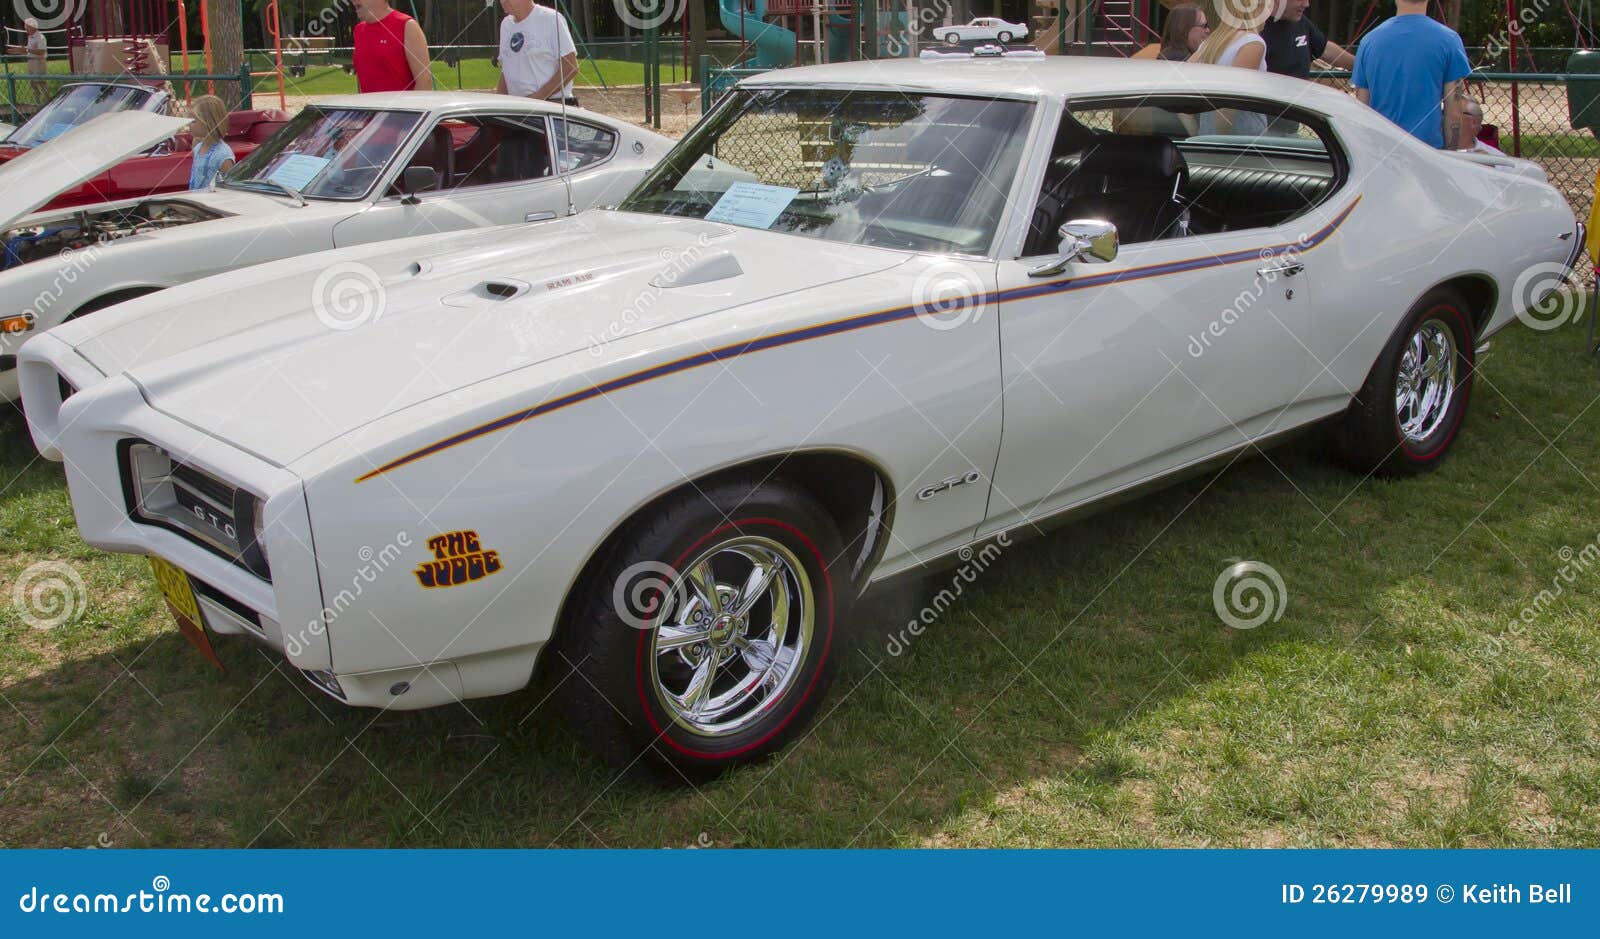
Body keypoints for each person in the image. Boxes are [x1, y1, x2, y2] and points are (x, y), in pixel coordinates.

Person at [1350, 0, 1471, 148]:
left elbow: (1363, 109)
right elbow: (1454, 113)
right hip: (1427, 152)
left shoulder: (1368, 41)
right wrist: (1451, 156)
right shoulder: (1449, 40)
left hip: (1380, 150)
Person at [495, 0, 580, 106]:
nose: (503, 1)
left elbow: (571, 67)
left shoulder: (551, 19)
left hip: (551, 109)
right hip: (517, 109)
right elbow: (507, 69)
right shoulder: (506, 25)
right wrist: (499, 103)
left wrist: (535, 100)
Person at [352, 0, 433, 93]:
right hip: (368, 106)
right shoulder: (358, 31)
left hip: (401, 106)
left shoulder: (407, 26)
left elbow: (424, 81)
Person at [1261, 0, 1353, 78]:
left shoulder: (1300, 22)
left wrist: (1362, 65)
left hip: (1298, 98)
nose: (1306, 4)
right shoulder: (1255, 30)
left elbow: (1326, 50)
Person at [186, 95, 236, 190]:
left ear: (208, 122)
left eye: (193, 121)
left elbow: (229, 188)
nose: (189, 124)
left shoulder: (223, 155)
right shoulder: (198, 148)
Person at [1132, 4, 1209, 61]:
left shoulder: (1174, 56)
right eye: (1204, 26)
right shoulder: (1178, 60)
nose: (1208, 30)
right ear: (1184, 29)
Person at [5, 18, 47, 102]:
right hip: (31, 62)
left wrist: (27, 50)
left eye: (26, 27)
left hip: (38, 62)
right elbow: (28, 50)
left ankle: (48, 100)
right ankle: (37, 102)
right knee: (33, 83)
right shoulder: (30, 37)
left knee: (42, 83)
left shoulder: (41, 37)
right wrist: (16, 51)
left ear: (32, 27)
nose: (25, 29)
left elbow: (42, 52)